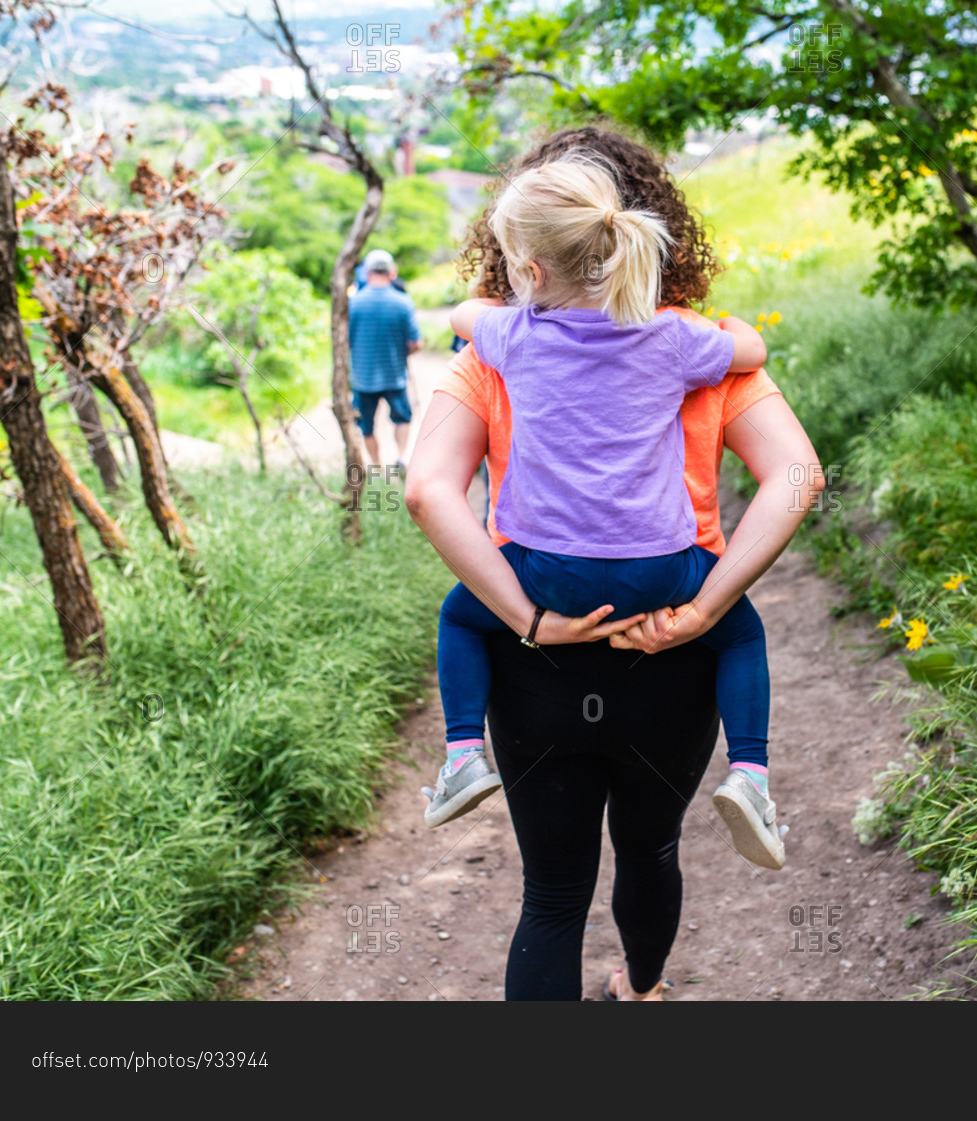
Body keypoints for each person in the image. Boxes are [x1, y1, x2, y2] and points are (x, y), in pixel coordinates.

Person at [404, 126, 823, 1000]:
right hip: (673, 645)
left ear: (521, 254)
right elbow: (796, 475)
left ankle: (459, 751)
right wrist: (707, 608)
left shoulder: (497, 352)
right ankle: (642, 992)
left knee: (551, 897)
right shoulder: (690, 347)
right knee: (651, 850)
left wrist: (521, 614)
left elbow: (429, 494)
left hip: (538, 656)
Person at [348, 249, 420, 471]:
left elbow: (345, 341)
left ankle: (377, 467)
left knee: (366, 426)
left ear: (367, 273)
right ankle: (400, 459)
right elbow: (416, 343)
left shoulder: (353, 303)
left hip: (362, 378)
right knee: (402, 418)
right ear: (392, 272)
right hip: (395, 376)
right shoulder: (403, 302)